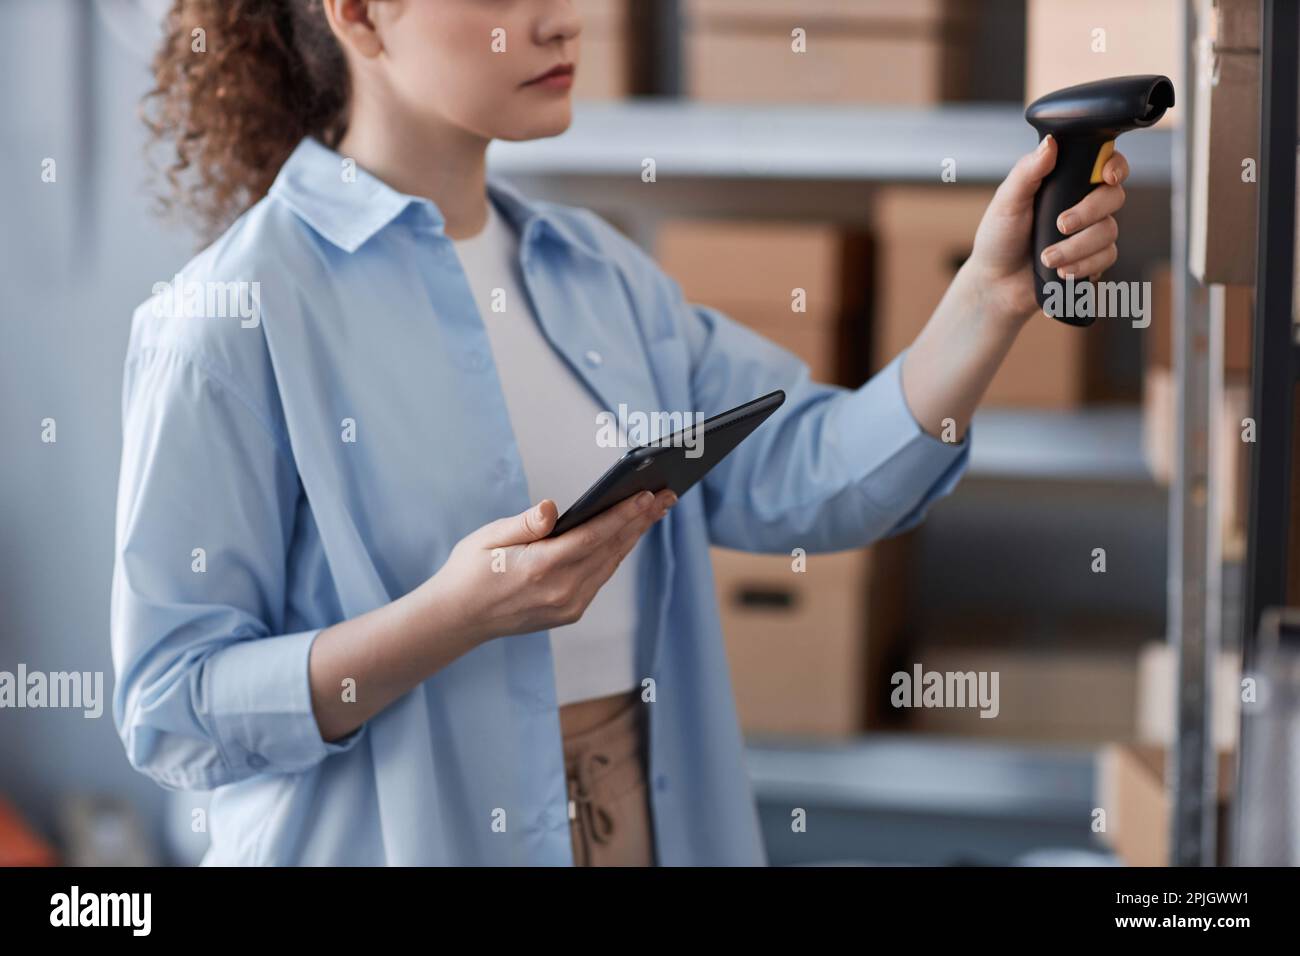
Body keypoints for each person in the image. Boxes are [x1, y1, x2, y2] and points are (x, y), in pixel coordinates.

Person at [111, 0, 1131, 866]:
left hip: (632, 821)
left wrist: (989, 298)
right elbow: (171, 705)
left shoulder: (594, 272)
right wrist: (448, 618)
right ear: (360, 13)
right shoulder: (229, 317)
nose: (564, 18)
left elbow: (816, 475)